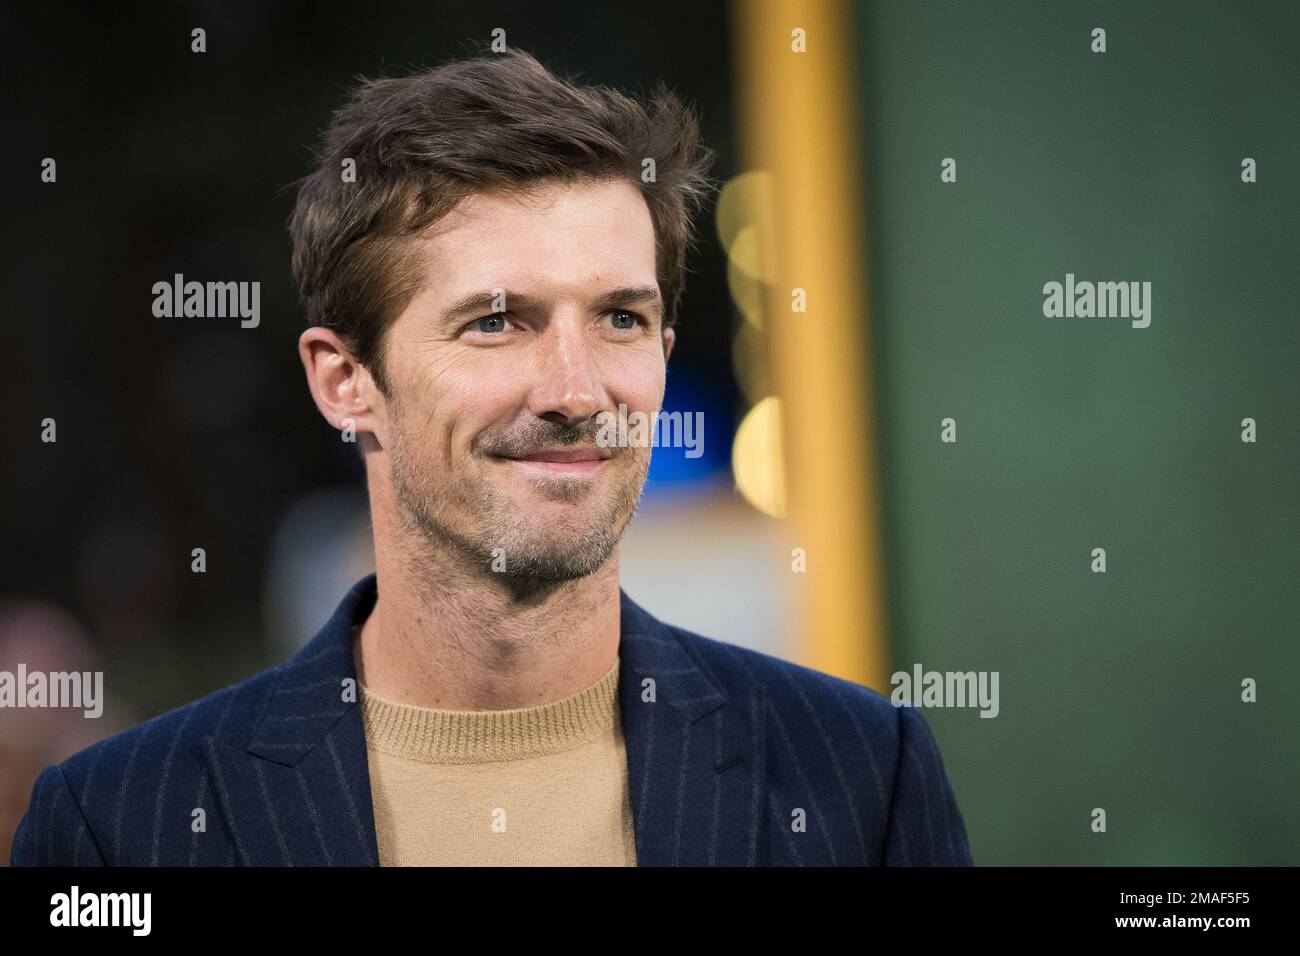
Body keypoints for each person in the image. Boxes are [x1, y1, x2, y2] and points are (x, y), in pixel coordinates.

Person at [10, 47, 972, 866]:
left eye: (621, 319)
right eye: (497, 321)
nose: (576, 389)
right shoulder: (119, 827)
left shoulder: (861, 777)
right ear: (346, 380)